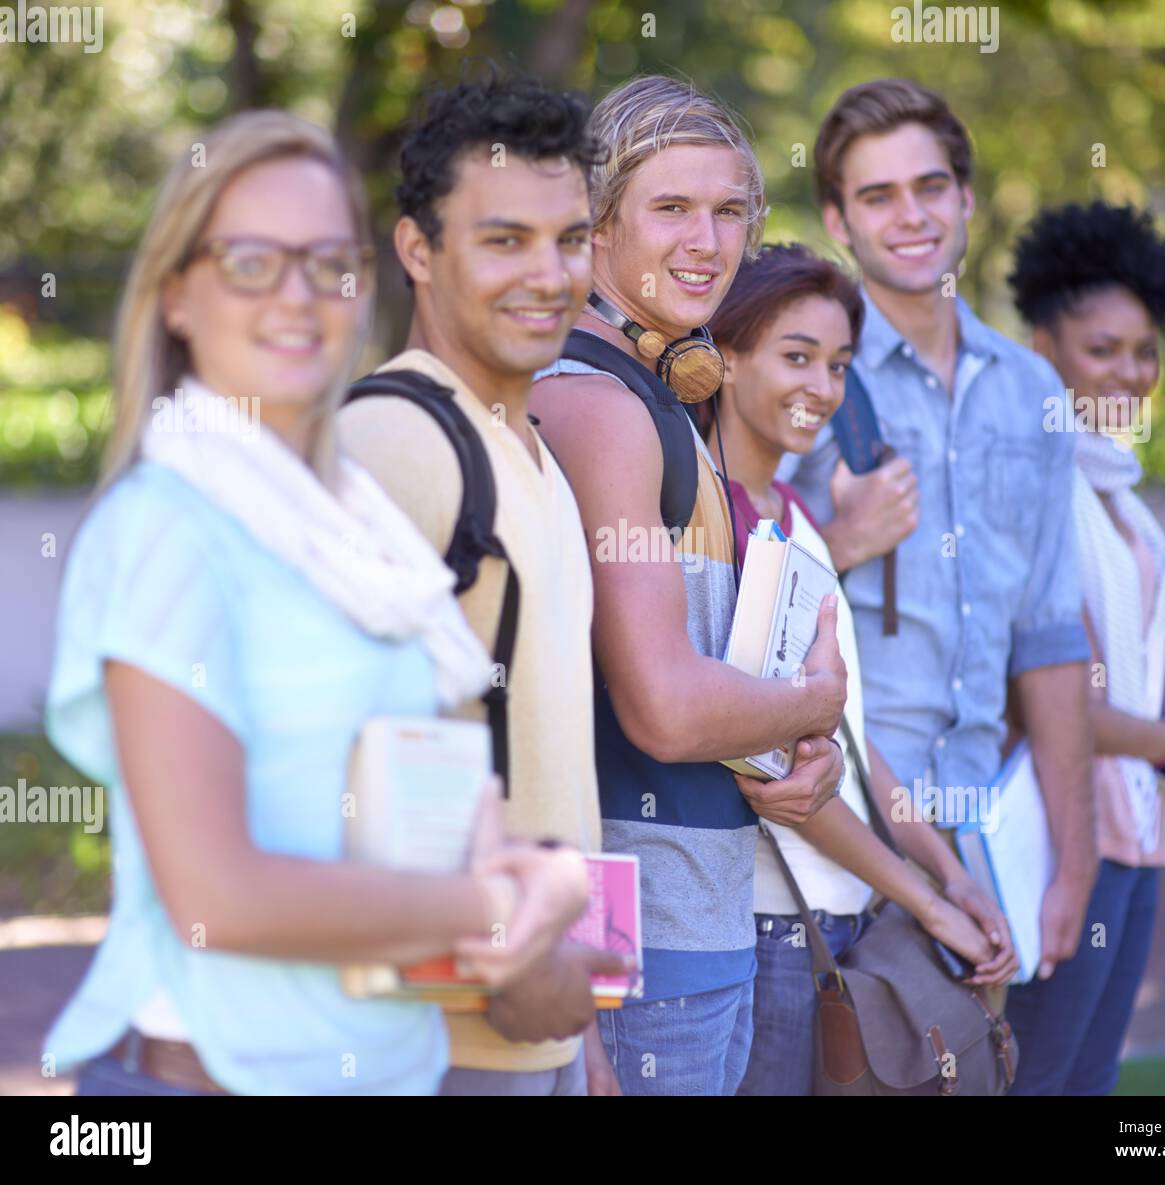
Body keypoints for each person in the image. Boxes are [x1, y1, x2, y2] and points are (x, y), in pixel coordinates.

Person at [43, 110, 588, 1096]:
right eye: (252, 261)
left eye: (330, 263)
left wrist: (539, 895)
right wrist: (491, 908)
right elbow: (218, 895)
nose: (299, 297)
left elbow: (408, 816)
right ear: (176, 295)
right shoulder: (168, 527)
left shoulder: (356, 532)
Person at [531, 76, 849, 1096]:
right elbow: (662, 710)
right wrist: (815, 702)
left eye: (728, 211)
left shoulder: (658, 397)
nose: (706, 241)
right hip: (644, 939)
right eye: (670, 208)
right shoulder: (603, 408)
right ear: (596, 222)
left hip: (697, 914)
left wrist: (797, 749)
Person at [337, 74, 633, 1097]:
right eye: (504, 240)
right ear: (417, 250)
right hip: (436, 1033)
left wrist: (578, 1030)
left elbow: (541, 756)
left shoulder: (532, 452)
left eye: (570, 239)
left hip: (538, 1021)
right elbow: (329, 762)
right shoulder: (395, 439)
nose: (548, 274)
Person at [781, 78, 1097, 988]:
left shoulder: (1031, 388)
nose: (910, 215)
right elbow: (739, 592)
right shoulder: (810, 370)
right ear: (840, 221)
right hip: (838, 820)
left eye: (929, 187)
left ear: (965, 198)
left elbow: (1050, 635)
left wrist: (1073, 860)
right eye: (878, 196)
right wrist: (840, 538)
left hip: (989, 822)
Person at [704, 242, 1018, 1096]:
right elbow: (786, 781)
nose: (823, 386)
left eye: (837, 363)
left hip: (842, 917)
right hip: (777, 927)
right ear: (725, 358)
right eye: (795, 356)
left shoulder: (793, 513)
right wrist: (926, 901)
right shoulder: (720, 525)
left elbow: (852, 741)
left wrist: (950, 871)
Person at [1005, 200, 1165, 1094]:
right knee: (1038, 1078)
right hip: (1067, 825)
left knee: (1091, 1081)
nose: (1130, 372)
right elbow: (1032, 688)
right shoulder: (1035, 482)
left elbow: (1146, 672)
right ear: (1041, 348)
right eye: (1100, 349)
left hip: (1140, 823)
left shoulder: (1121, 495)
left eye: (1143, 351)